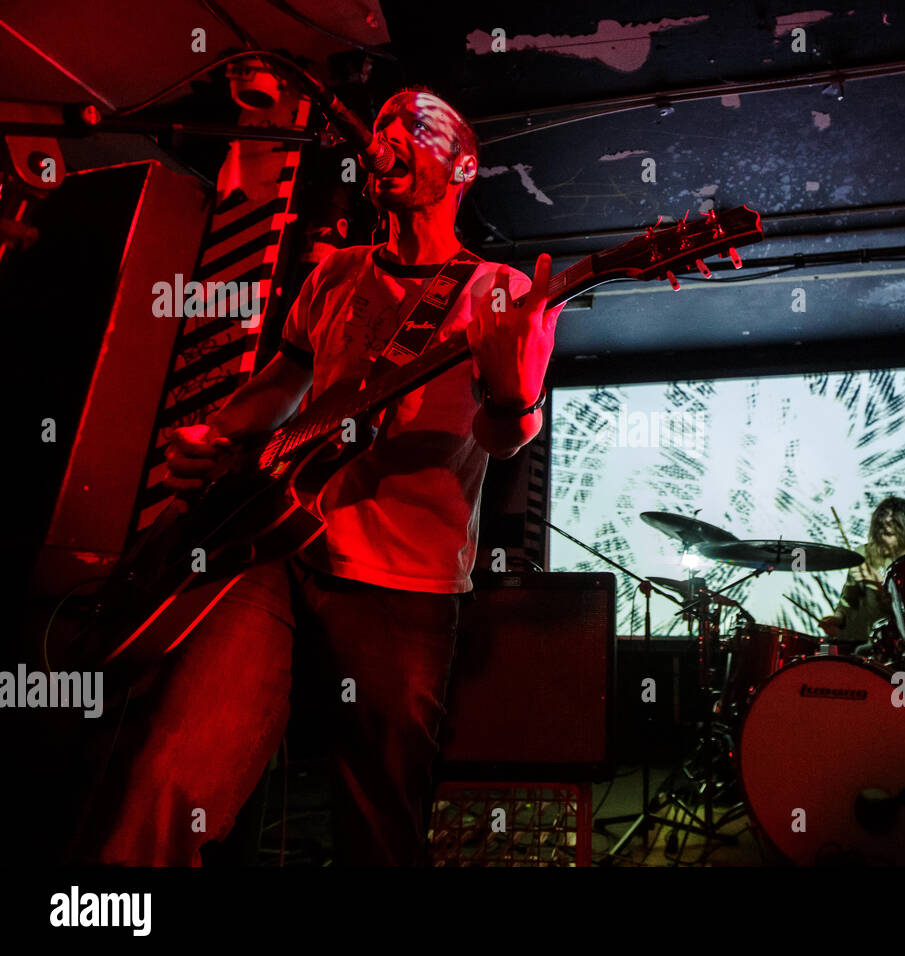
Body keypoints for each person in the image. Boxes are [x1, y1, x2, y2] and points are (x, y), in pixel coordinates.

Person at [80, 87, 562, 866]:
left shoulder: (497, 292)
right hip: (279, 552)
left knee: (380, 822)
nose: (387, 138)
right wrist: (219, 434)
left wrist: (514, 396)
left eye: (415, 126)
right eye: (380, 127)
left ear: (465, 165)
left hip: (403, 588)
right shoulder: (336, 272)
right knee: (167, 775)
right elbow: (288, 382)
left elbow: (500, 442)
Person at [819, 496, 905, 651]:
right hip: (874, 642)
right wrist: (838, 618)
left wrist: (879, 585)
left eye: (888, 533)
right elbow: (849, 600)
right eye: (878, 531)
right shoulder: (864, 554)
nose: (881, 537)